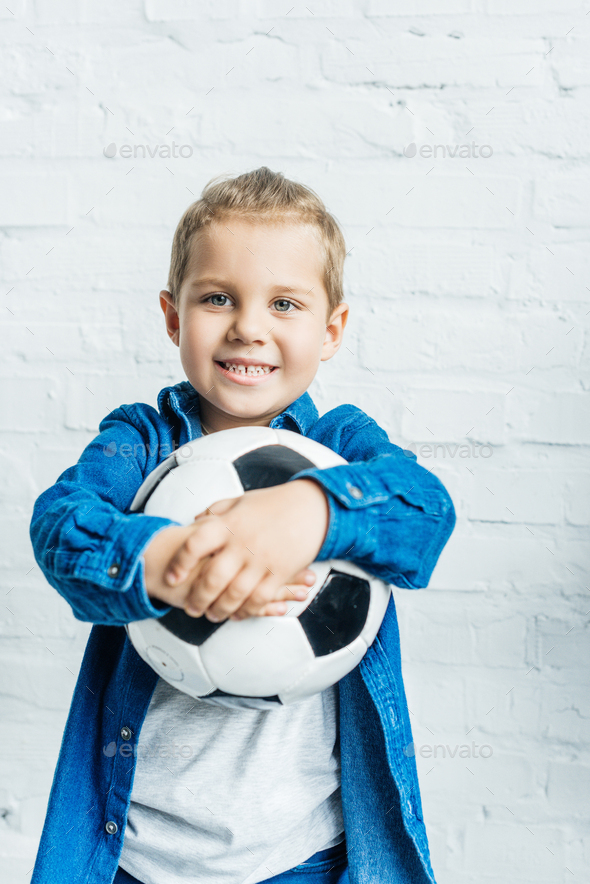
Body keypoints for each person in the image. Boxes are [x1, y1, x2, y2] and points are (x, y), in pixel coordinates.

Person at [29, 167, 456, 884]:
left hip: (303, 855)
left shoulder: (346, 446)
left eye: (284, 303)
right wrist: (171, 561)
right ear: (172, 315)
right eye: (218, 298)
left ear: (332, 330)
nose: (248, 327)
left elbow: (426, 514)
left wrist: (308, 511)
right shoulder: (138, 444)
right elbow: (61, 529)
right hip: (133, 854)